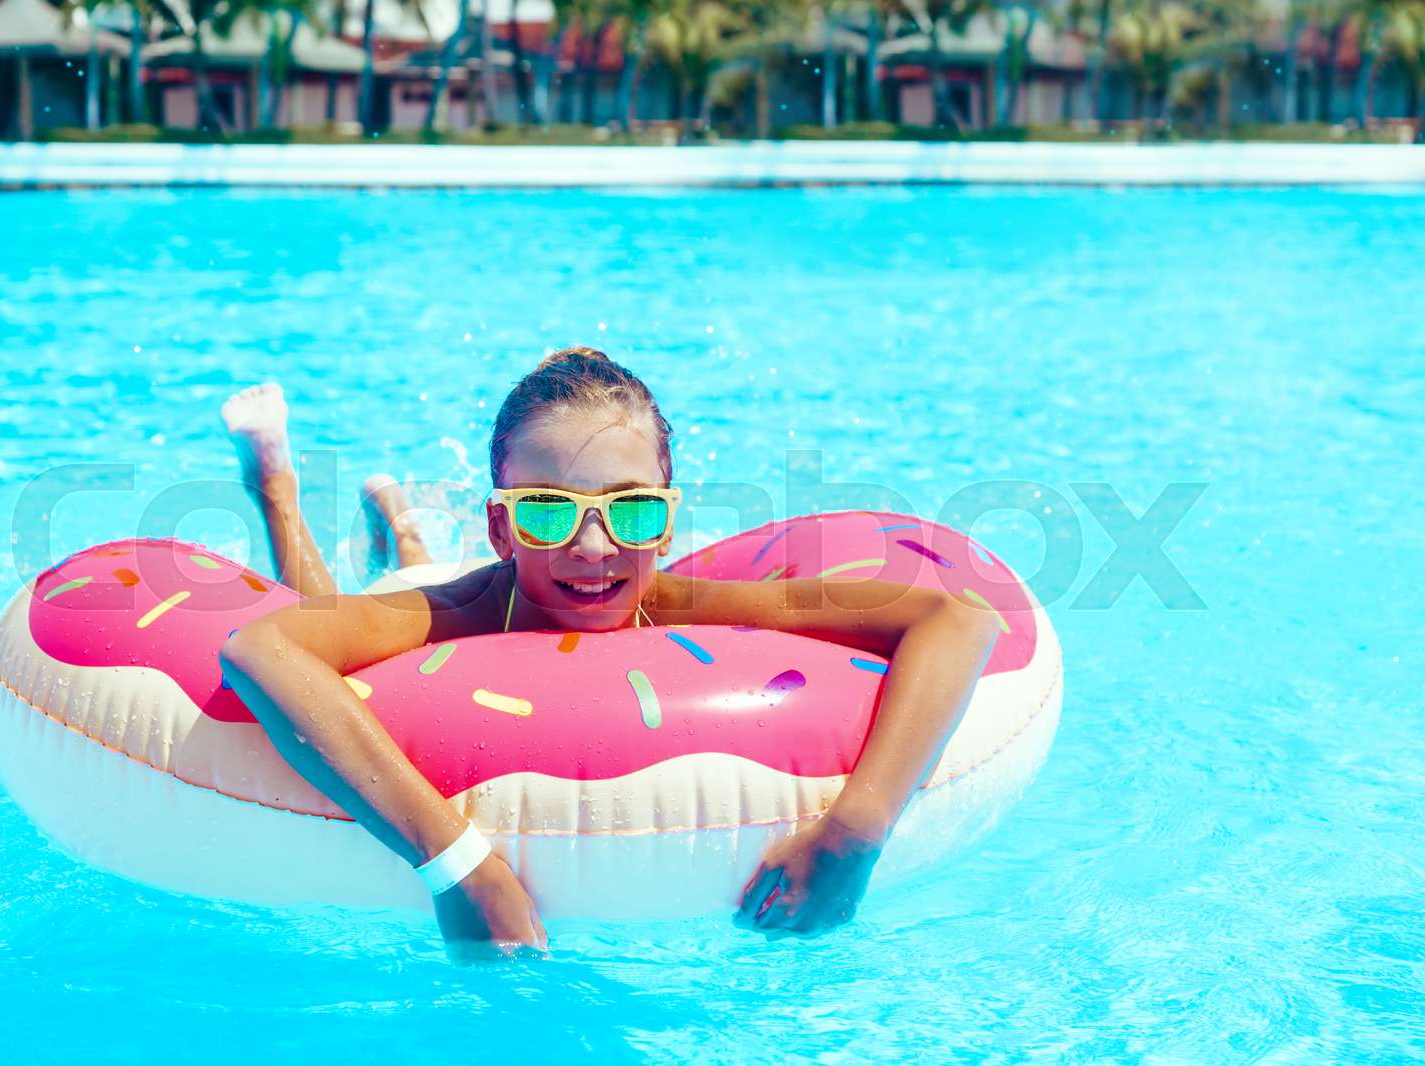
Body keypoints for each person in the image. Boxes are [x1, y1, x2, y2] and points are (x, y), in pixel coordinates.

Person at [218, 348, 999, 957]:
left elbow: (958, 621)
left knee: (396, 561)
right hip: (434, 587)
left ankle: (397, 516)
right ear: (501, 529)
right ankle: (277, 488)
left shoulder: (676, 603)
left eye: (629, 512)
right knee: (332, 599)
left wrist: (854, 829)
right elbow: (262, 646)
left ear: (664, 524)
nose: (593, 548)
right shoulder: (462, 609)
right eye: (550, 514)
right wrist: (455, 864)